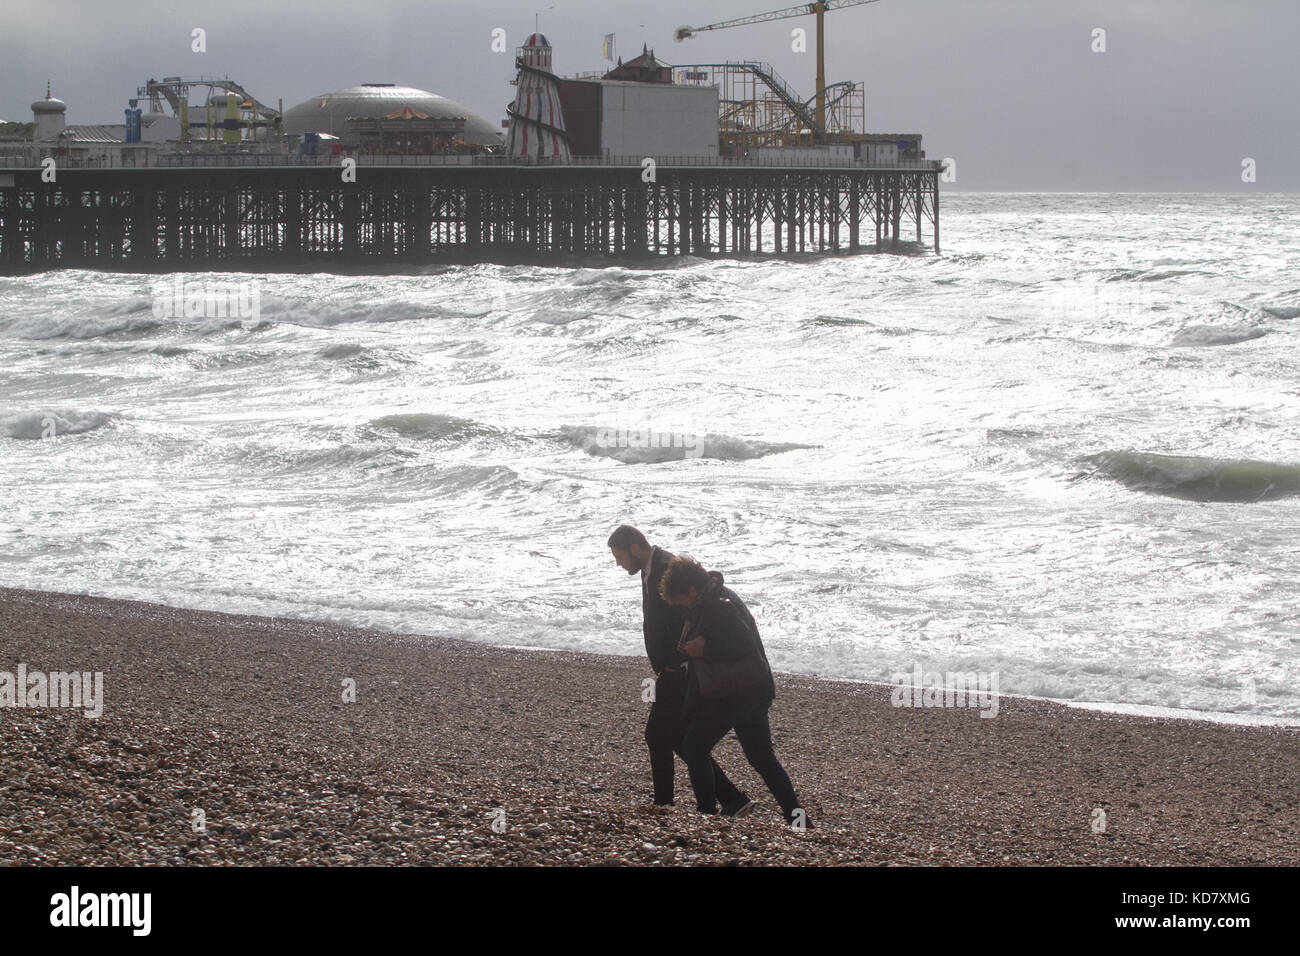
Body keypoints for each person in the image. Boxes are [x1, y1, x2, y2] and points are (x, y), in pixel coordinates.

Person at [607, 525, 753, 816]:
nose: (618, 563)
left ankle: (666, 804)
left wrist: (678, 659)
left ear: (636, 547)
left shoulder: (666, 567)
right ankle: (731, 798)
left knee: (659, 735)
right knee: (678, 737)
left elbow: (689, 613)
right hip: (673, 667)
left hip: (681, 668)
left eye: (620, 556)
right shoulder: (650, 568)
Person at [659, 555, 810, 828]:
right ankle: (798, 819)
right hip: (754, 690)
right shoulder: (711, 600)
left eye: (680, 600)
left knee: (694, 746)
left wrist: (704, 650)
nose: (680, 607)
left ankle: (706, 815)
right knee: (761, 757)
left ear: (691, 590)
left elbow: (744, 645)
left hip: (733, 694)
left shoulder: (718, 606)